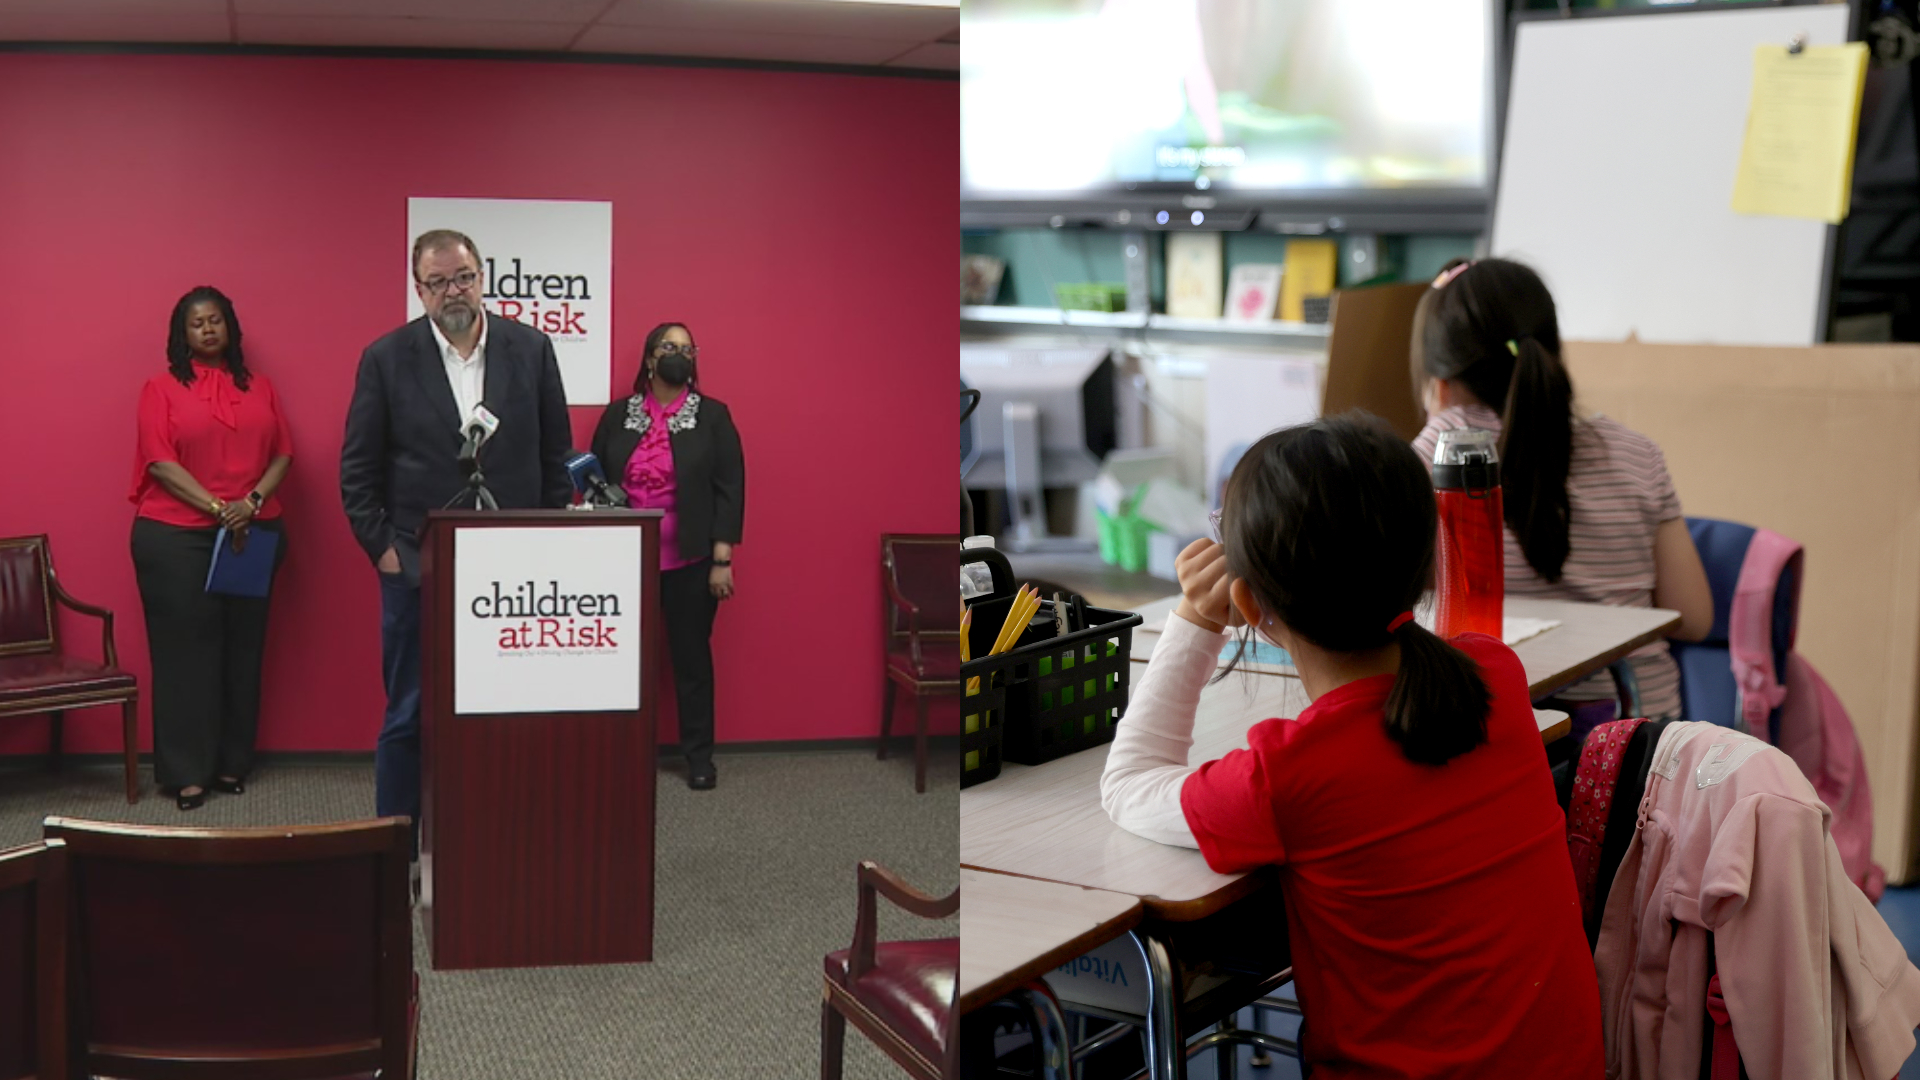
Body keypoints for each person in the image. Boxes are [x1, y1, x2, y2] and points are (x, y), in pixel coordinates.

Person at [1101, 414, 1605, 1079]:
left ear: (1249, 605)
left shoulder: (1286, 777)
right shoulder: (1496, 676)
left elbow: (1128, 782)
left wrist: (1195, 619)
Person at [1410, 257, 1713, 730]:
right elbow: (1693, 617)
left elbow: (1401, 607)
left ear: (1441, 383)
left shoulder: (1440, 453)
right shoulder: (1638, 454)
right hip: (1638, 736)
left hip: (1503, 729)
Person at [340, 229, 572, 844]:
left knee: (510, 711)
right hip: (418, 568)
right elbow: (358, 471)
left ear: (482, 278)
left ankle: (502, 840)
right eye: (438, 282)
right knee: (409, 712)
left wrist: (550, 544)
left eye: (463, 277)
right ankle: (397, 846)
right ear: (419, 290)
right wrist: (385, 551)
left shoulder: (532, 349)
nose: (453, 291)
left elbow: (556, 457)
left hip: (515, 571)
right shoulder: (386, 358)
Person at [130, 286, 292, 811]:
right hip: (176, 536)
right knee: (187, 655)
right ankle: (186, 772)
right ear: (182, 334)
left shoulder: (262, 387)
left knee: (243, 649)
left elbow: (283, 454)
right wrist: (221, 508)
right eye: (196, 322)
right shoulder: (160, 389)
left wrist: (251, 503)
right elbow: (159, 462)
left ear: (230, 328)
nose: (207, 329)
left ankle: (230, 763)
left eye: (215, 320)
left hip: (253, 531)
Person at [590, 322, 744, 790]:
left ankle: (699, 758)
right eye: (668, 346)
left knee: (691, 660)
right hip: (623, 562)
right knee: (619, 659)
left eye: (686, 348)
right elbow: (594, 478)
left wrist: (721, 559)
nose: (678, 354)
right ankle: (619, 753)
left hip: (690, 561)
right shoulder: (618, 415)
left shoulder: (713, 416)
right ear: (649, 358)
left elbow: (730, 488)